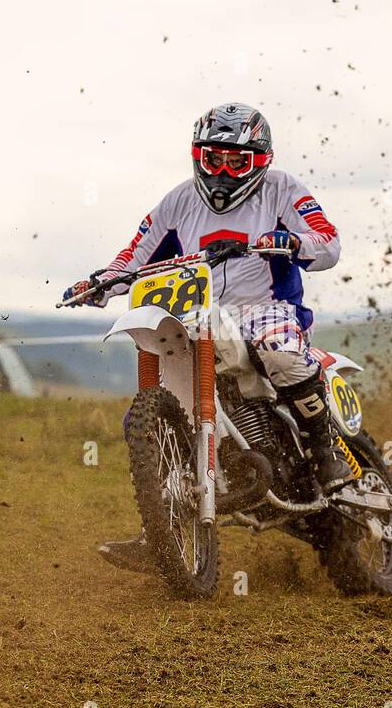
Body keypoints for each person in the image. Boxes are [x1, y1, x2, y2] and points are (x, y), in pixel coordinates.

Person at [66, 102, 351, 569]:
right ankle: (159, 530)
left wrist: (294, 243)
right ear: (197, 155)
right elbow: (133, 257)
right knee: (159, 405)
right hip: (195, 317)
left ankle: (325, 452)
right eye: (213, 158)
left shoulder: (283, 190)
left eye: (237, 161)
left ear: (260, 160)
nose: (222, 170)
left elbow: (327, 240)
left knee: (276, 350)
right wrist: (97, 284)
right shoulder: (178, 201)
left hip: (266, 310)